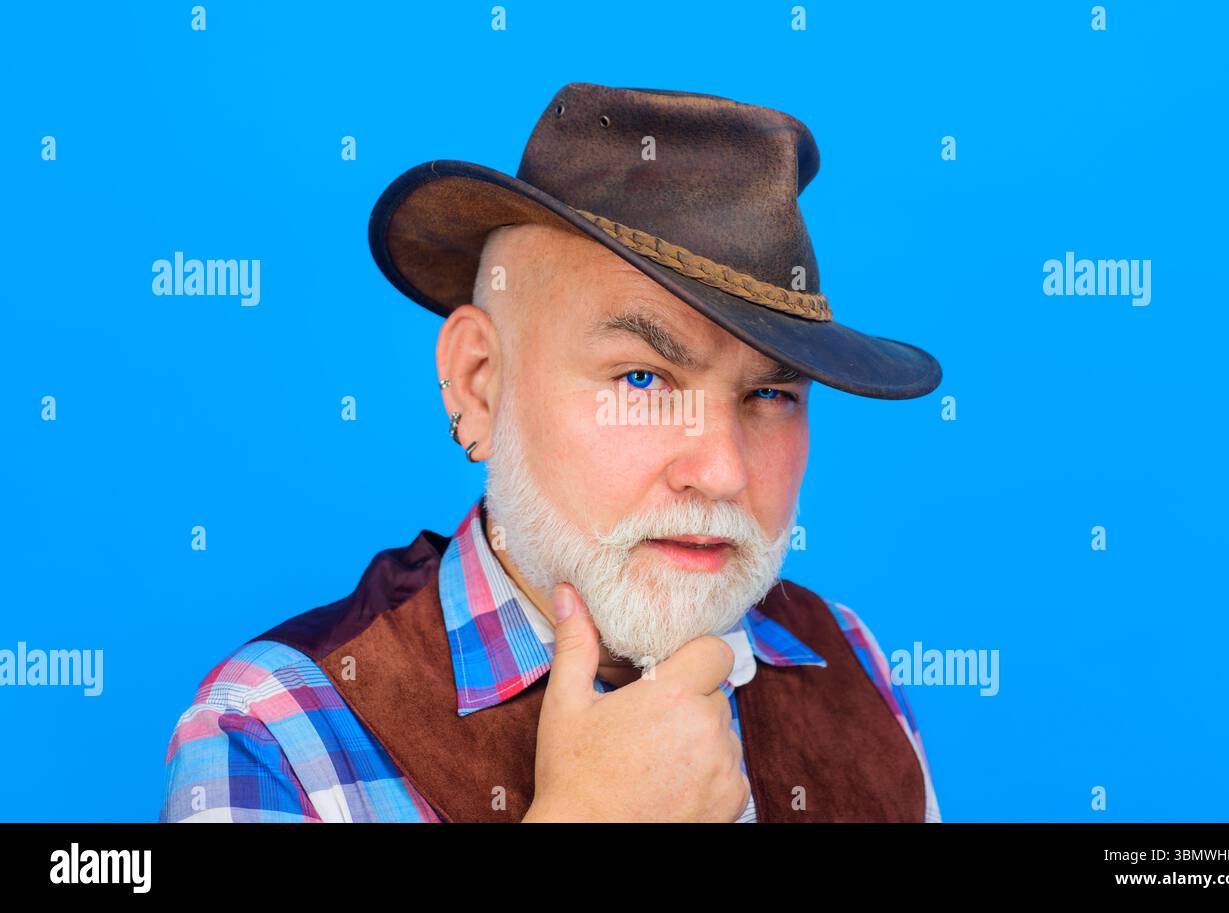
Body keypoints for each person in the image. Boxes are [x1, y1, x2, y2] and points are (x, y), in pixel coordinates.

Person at [159, 82, 944, 823]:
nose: (722, 471)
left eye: (771, 395)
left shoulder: (851, 667)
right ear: (478, 384)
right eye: (643, 378)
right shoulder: (275, 729)